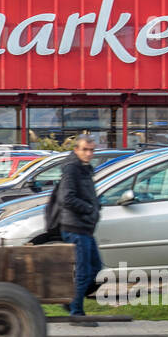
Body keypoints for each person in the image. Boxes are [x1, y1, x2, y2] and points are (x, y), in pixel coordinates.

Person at [58, 134, 105, 316]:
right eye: (85, 149)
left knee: (95, 267)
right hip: (75, 227)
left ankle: (72, 302)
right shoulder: (72, 169)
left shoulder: (84, 168)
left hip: (85, 226)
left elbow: (86, 194)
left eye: (92, 150)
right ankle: (76, 312)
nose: (89, 153)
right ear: (76, 149)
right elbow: (67, 198)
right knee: (85, 271)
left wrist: (95, 206)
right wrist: (89, 209)